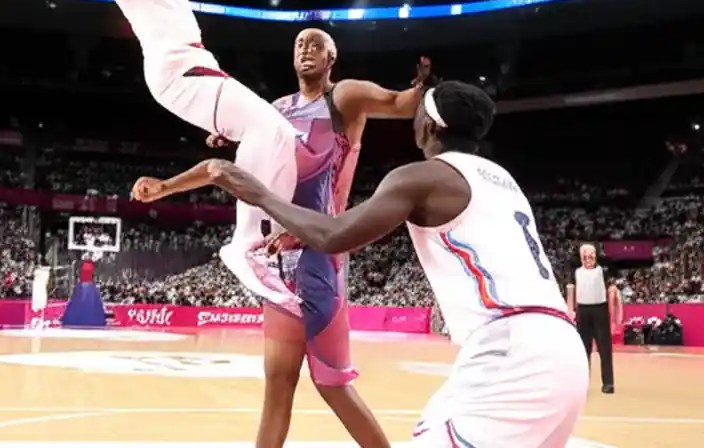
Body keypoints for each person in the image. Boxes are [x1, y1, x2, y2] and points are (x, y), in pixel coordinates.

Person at [7, 0, 298, 310]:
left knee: (277, 137)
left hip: (197, 60)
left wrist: (217, 107)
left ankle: (272, 241)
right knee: (270, 131)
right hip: (172, 65)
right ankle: (246, 245)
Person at [201, 81, 588, 448]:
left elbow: (335, 234)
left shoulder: (421, 177)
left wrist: (256, 193)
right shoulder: (502, 180)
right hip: (563, 349)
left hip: (514, 353)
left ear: (429, 125)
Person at [133, 28, 430, 448]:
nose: (305, 49)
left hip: (319, 252)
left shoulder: (343, 97)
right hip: (275, 263)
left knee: (332, 386)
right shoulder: (274, 111)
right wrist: (165, 186)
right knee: (277, 388)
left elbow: (401, 104)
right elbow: (227, 169)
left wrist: (423, 87)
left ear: (332, 57)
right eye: (299, 44)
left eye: (316, 44)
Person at [566, 243, 619, 394]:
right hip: (583, 310)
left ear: (595, 256)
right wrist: (570, 311)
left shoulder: (603, 271)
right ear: (581, 257)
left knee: (605, 348)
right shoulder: (575, 272)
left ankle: (608, 383)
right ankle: (583, 382)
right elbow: (571, 291)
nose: (588, 258)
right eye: (585, 256)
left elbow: (612, 291)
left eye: (591, 255)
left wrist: (613, 317)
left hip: (600, 309)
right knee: (584, 349)